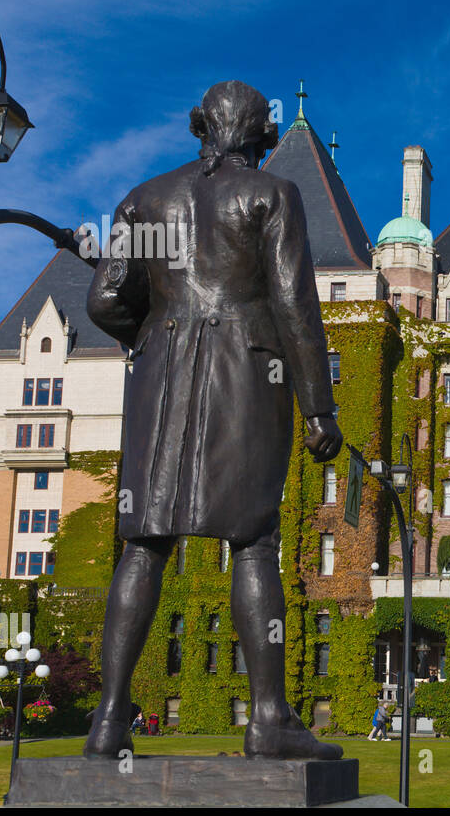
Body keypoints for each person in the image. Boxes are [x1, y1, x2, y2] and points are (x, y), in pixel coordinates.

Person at [81, 81, 344, 763]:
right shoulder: (270, 196)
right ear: (258, 134)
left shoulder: (144, 198)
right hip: (247, 374)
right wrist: (319, 406)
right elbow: (294, 307)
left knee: (145, 543)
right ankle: (267, 720)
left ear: (201, 128)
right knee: (253, 539)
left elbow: (106, 299)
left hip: (161, 374)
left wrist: (157, 330)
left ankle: (109, 720)